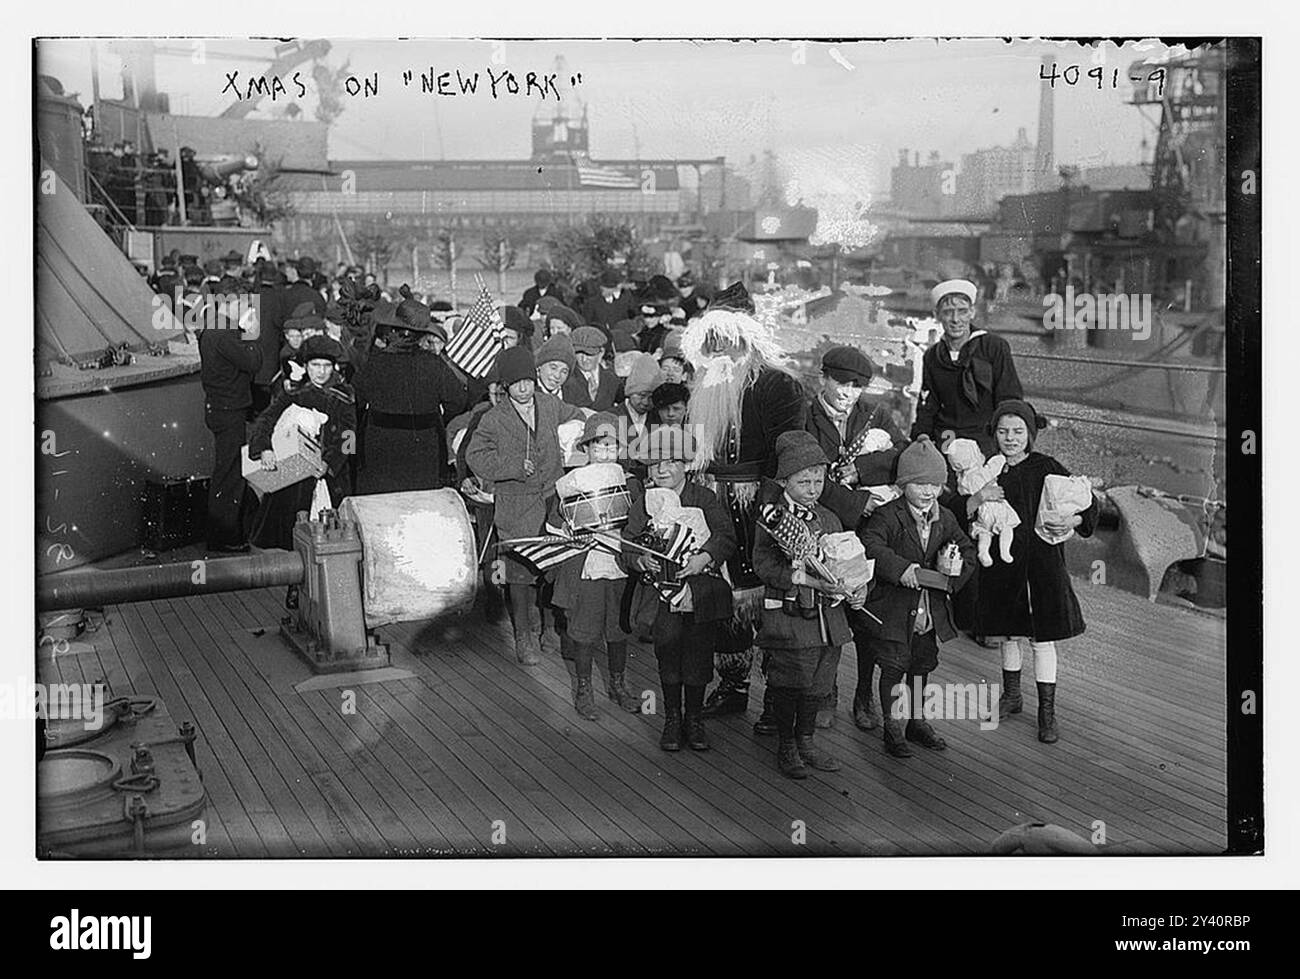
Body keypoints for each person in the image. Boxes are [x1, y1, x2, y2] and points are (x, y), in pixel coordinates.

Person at [680, 283, 808, 719]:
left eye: (728, 337)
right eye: (713, 339)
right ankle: (733, 685)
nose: (721, 347)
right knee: (722, 594)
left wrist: (772, 511)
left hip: (760, 501)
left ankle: (776, 698)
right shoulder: (702, 385)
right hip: (711, 500)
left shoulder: (778, 385)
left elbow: (786, 452)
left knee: (767, 595)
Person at [962, 399, 1098, 744]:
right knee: (1008, 632)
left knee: (1042, 638)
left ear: (1030, 434)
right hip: (1002, 566)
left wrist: (1074, 518)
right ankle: (1012, 696)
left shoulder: (1047, 466)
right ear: (995, 433)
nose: (1010, 438)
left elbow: (1088, 501)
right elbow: (960, 508)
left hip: (1042, 567)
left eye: (1018, 431)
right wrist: (980, 496)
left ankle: (1047, 712)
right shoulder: (987, 469)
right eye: (1004, 431)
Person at [801, 345, 907, 731]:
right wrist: (853, 503)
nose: (848, 393)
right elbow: (802, 471)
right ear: (823, 379)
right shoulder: (806, 416)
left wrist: (860, 471)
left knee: (865, 611)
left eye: (857, 386)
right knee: (824, 608)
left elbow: (903, 455)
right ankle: (825, 692)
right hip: (823, 523)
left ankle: (863, 695)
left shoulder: (875, 414)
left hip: (866, 530)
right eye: (841, 383)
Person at [466, 347, 587, 665]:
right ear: (505, 386)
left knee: (553, 566)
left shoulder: (549, 404)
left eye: (528, 381)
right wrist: (513, 467)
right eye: (516, 383)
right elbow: (475, 456)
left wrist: (571, 435)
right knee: (520, 575)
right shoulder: (494, 418)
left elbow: (576, 415)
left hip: (551, 500)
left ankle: (551, 630)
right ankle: (524, 637)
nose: (524, 388)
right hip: (517, 506)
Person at [860, 435, 976, 758]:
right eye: (920, 484)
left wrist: (954, 574)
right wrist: (900, 569)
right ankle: (893, 726)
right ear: (902, 485)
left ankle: (917, 720)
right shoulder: (888, 515)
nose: (928, 492)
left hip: (929, 611)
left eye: (935, 485)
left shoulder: (946, 517)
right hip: (895, 610)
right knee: (894, 666)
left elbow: (967, 549)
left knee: (922, 666)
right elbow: (871, 545)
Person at [623, 425, 736, 752]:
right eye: (655, 463)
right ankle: (672, 717)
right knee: (668, 652)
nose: (662, 469)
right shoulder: (644, 502)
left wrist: (705, 556)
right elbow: (627, 544)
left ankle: (695, 718)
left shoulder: (704, 498)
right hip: (661, 593)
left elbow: (725, 536)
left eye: (671, 461)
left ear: (686, 464)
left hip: (699, 591)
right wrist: (641, 559)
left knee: (699, 653)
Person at [751, 431, 852, 779]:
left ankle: (805, 739)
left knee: (820, 679)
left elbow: (845, 559)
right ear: (783, 481)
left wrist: (849, 584)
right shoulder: (773, 519)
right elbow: (764, 566)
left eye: (818, 480)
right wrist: (807, 580)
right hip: (791, 613)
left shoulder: (829, 517)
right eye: (803, 481)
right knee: (791, 677)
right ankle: (786, 744)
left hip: (828, 615)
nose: (812, 488)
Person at [544, 414, 642, 719]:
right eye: (599, 447)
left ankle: (617, 684)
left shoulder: (631, 483)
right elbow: (554, 523)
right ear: (587, 448)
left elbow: (640, 523)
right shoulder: (570, 484)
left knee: (618, 627)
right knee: (584, 630)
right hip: (586, 565)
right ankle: (584, 689)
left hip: (619, 565)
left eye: (612, 447)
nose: (605, 453)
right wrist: (569, 530)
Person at [247, 335, 356, 592]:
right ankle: (297, 587)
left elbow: (349, 436)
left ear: (334, 368)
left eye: (326, 366)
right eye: (316, 366)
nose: (321, 372)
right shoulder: (295, 394)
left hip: (330, 478)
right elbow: (265, 421)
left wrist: (329, 463)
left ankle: (333, 587)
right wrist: (264, 448)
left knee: (332, 534)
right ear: (306, 367)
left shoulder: (345, 396)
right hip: (297, 480)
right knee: (297, 534)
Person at [354, 298, 472, 493]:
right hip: (424, 446)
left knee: (384, 504)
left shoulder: (374, 363)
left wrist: (351, 447)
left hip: (381, 447)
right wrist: (438, 420)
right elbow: (458, 400)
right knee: (421, 506)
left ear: (393, 331)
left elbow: (355, 403)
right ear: (421, 335)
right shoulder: (434, 364)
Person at [911, 279, 1023, 456]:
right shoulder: (933, 356)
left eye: (962, 311)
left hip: (985, 436)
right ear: (937, 315)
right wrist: (920, 438)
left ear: (972, 312)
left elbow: (1009, 397)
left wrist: (1006, 442)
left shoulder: (993, 347)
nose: (956, 320)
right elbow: (928, 404)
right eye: (948, 312)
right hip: (947, 437)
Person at [198, 302, 263, 553]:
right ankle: (223, 536)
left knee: (228, 470)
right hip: (229, 410)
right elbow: (253, 362)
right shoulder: (226, 333)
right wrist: (251, 334)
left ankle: (230, 530)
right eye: (243, 303)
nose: (247, 308)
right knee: (229, 474)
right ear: (230, 303)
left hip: (218, 407)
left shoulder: (212, 328)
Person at [564, 326, 621, 410]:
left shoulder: (611, 379)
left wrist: (622, 423)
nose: (584, 359)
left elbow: (624, 409)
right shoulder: (567, 380)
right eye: (579, 353)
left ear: (601, 353)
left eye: (589, 354)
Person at [534, 334, 576, 401]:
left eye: (564, 372)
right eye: (553, 368)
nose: (557, 376)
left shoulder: (572, 395)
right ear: (539, 366)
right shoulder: (528, 393)